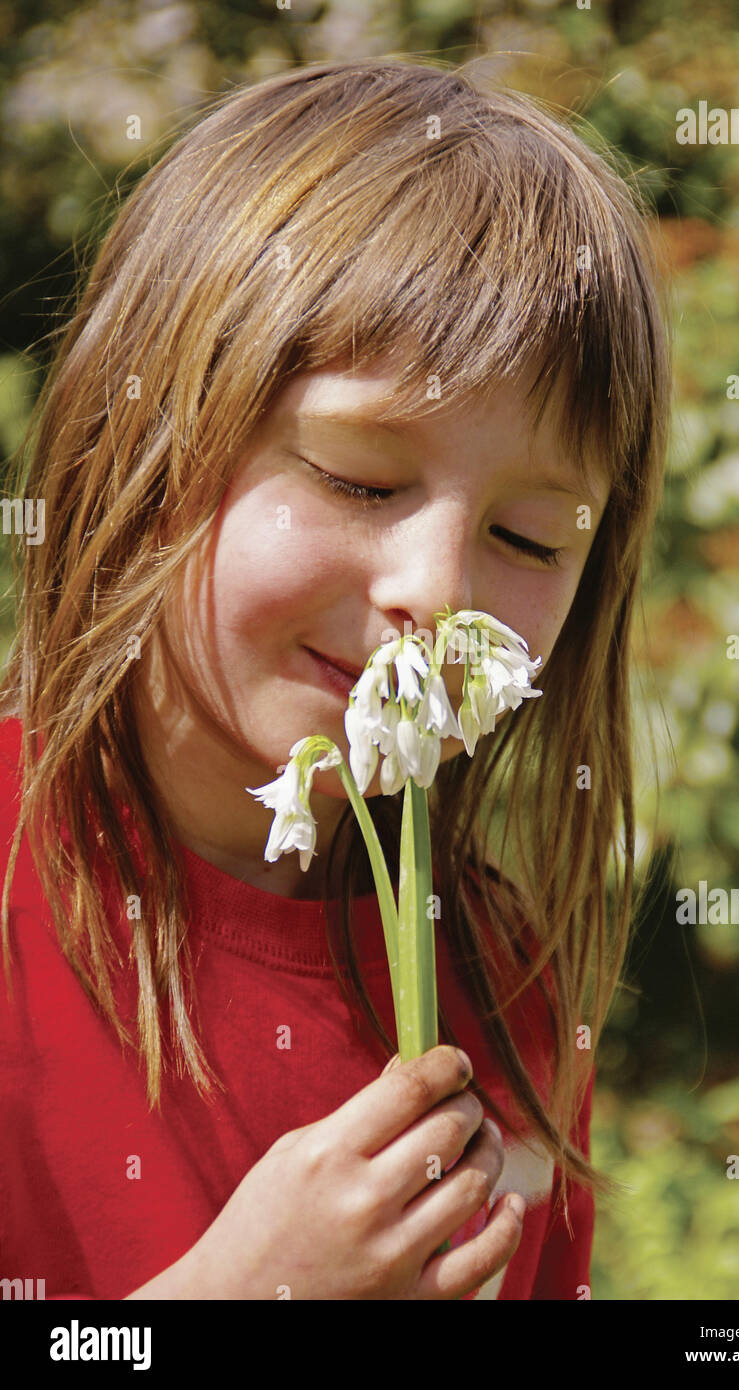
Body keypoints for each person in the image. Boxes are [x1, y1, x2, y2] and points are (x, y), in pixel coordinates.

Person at [0, 57, 670, 1300]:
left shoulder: (502, 979)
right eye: (360, 479)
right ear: (140, 441)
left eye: (529, 539)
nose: (438, 589)